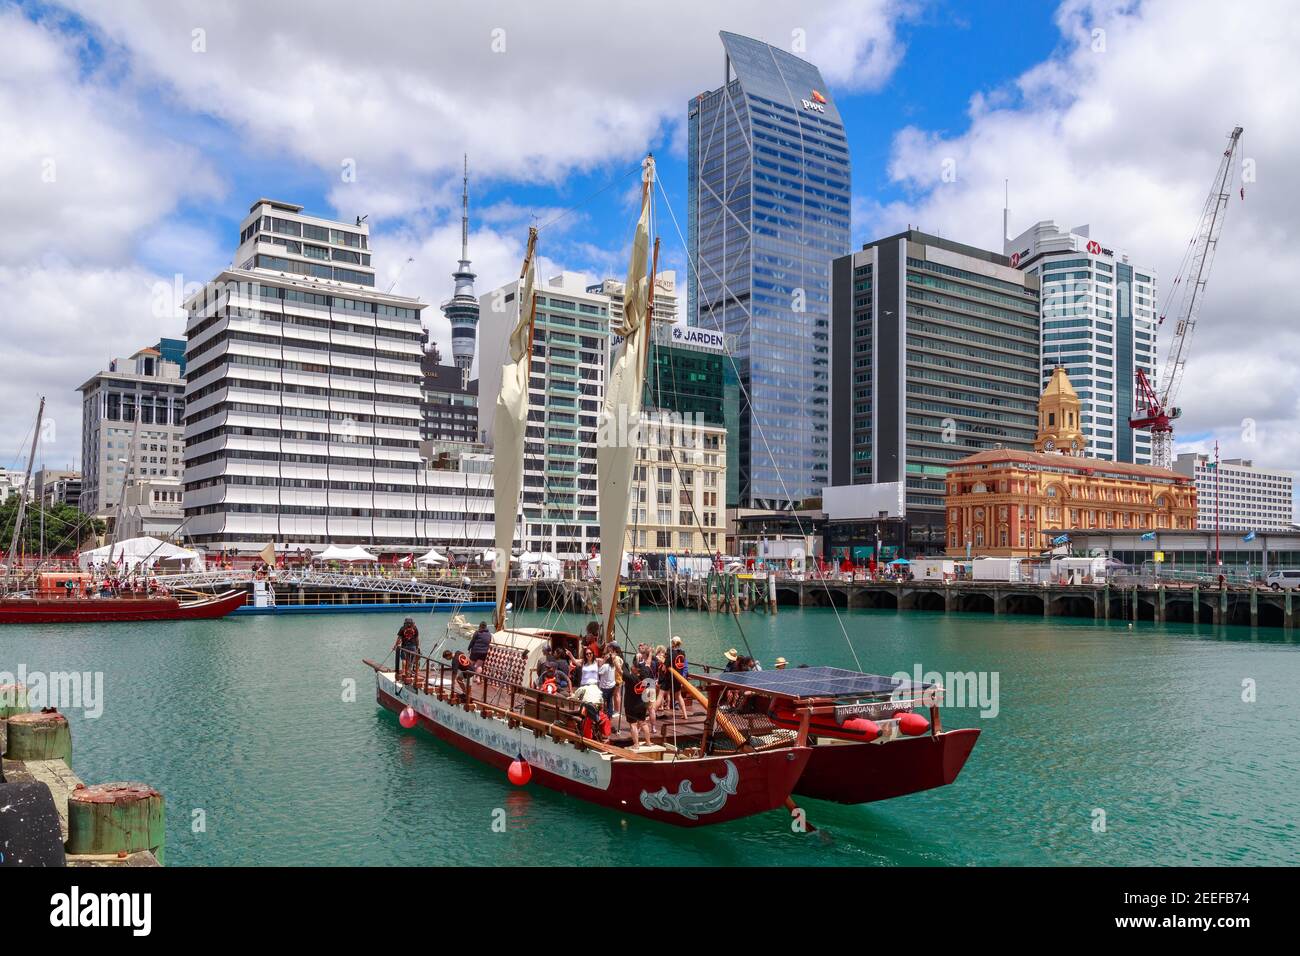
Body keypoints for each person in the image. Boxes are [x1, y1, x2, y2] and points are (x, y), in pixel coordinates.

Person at [669, 635, 691, 719]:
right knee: (679, 695)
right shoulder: (682, 653)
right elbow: (685, 666)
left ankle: (653, 712)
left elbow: (668, 664)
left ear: (673, 643)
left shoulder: (671, 653)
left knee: (661, 693)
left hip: (672, 677)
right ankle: (685, 714)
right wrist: (683, 677)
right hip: (679, 677)